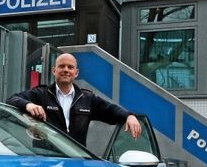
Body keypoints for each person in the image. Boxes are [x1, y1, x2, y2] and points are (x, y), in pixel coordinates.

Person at [7, 52, 142, 146]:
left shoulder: (87, 98)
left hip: (76, 161)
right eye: (62, 66)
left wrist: (129, 116)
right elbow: (12, 99)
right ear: (54, 70)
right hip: (46, 160)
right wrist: (29, 105)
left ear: (76, 73)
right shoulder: (41, 94)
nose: (66, 70)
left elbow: (111, 111)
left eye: (70, 67)